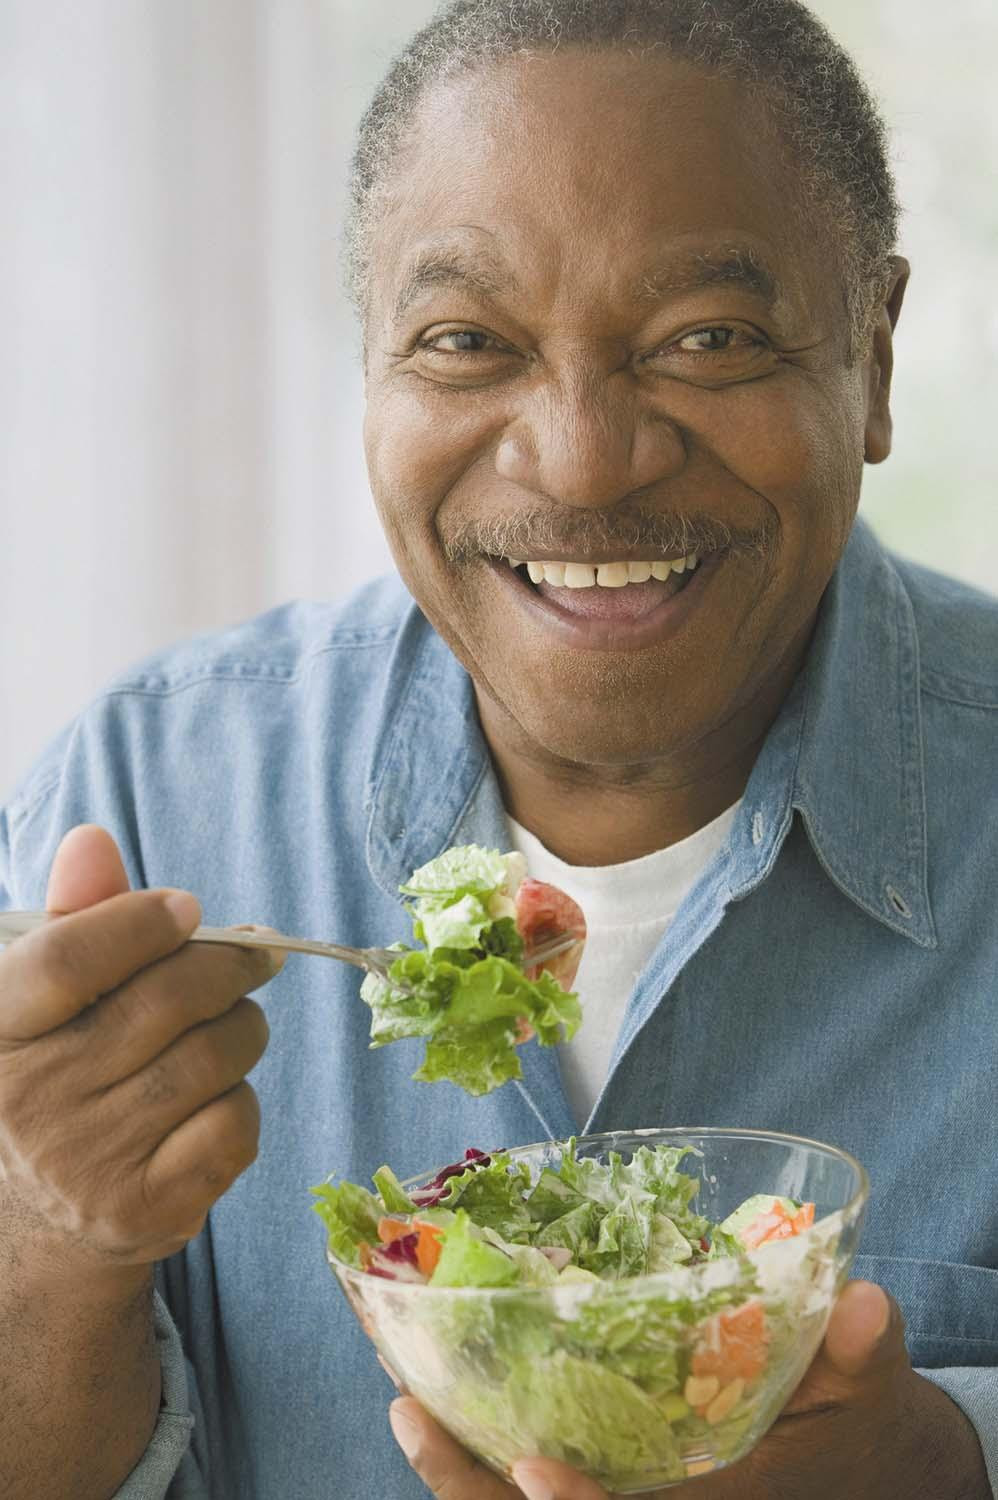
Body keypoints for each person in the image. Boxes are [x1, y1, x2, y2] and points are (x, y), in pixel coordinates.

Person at [1, 1, 996, 1496]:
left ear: (869, 352)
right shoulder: (145, 797)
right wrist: (48, 1243)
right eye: (466, 342)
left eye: (705, 340)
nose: (583, 458)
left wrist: (949, 1463)